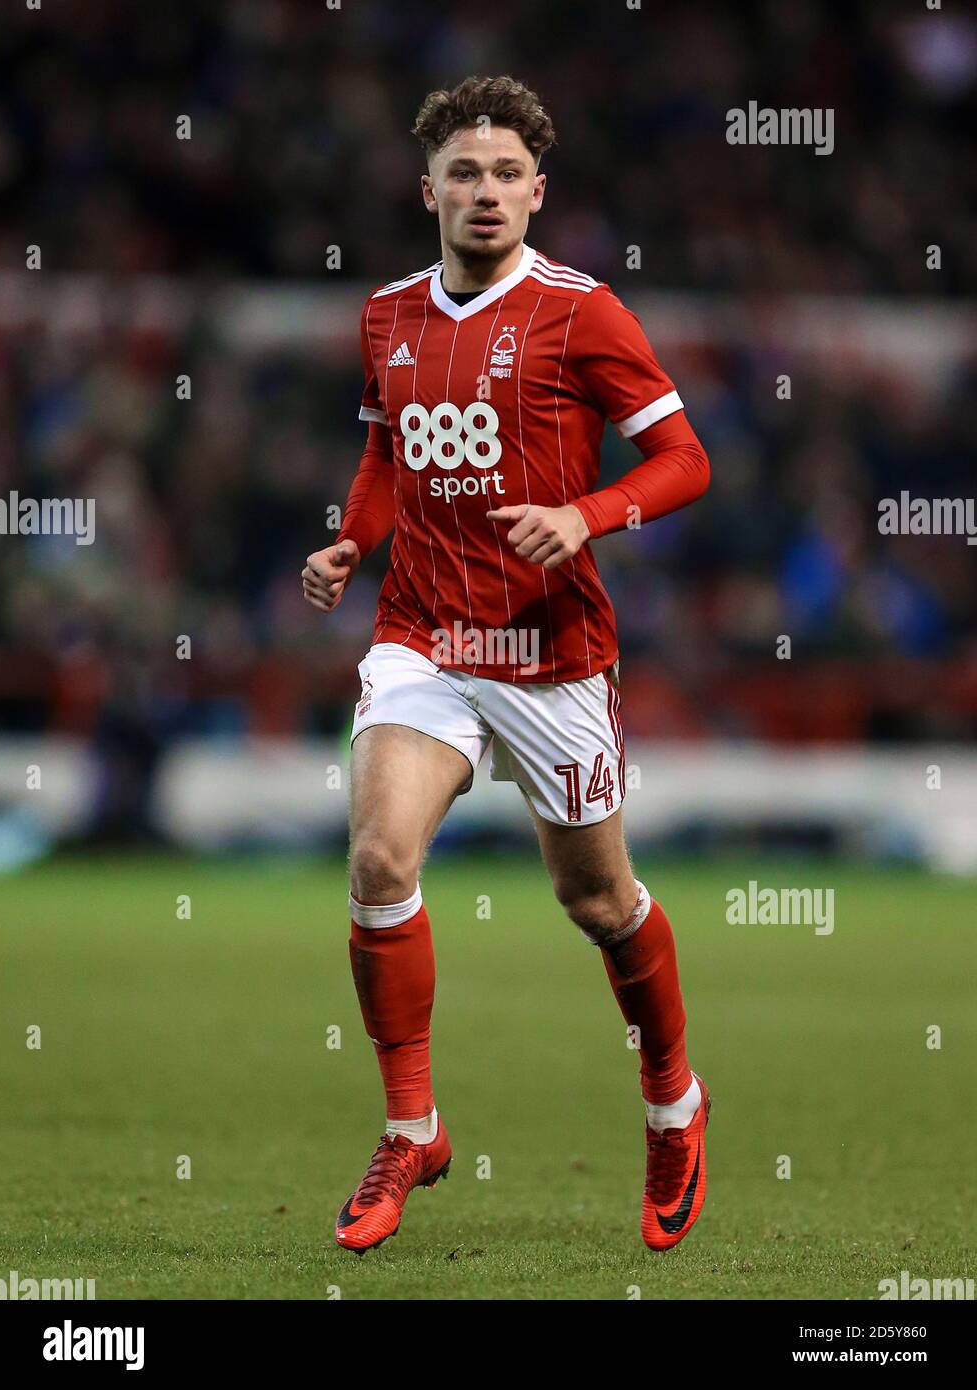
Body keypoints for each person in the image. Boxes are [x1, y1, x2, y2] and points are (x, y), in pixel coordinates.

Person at [303, 75, 712, 1255]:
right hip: (424, 633)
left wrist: (590, 516)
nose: (486, 193)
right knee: (380, 856)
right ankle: (412, 1128)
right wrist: (350, 539)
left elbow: (685, 460)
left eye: (507, 175)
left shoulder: (583, 313)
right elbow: (385, 456)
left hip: (549, 651)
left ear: (540, 192)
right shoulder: (386, 316)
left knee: (597, 900)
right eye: (465, 173)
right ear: (426, 188)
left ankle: (674, 1103)